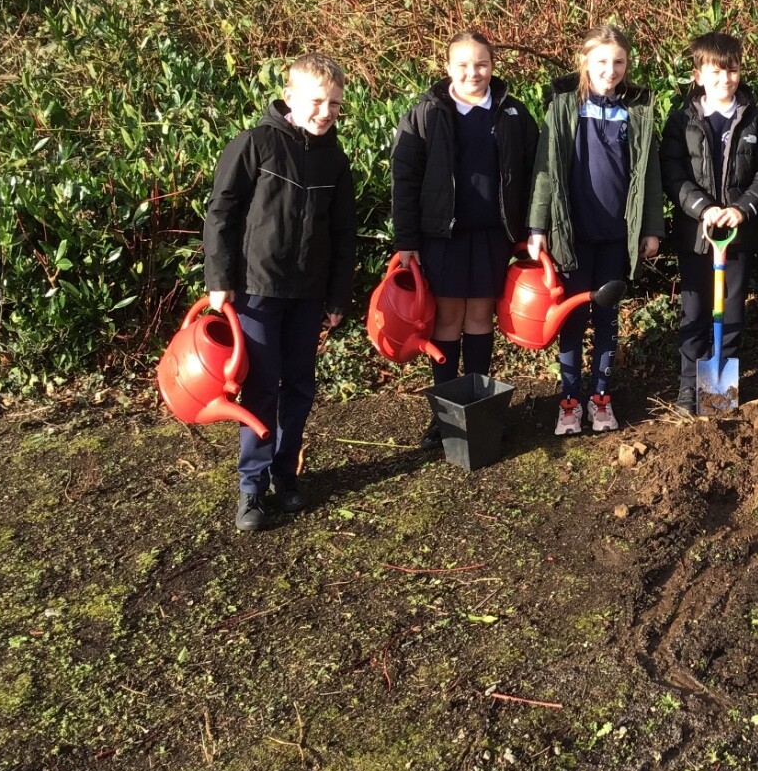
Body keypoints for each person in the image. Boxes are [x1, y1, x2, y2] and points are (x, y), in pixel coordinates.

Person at [203, 52, 357, 532]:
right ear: (290, 97)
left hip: (309, 294)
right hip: (256, 290)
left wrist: (337, 297)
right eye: (317, 101)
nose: (325, 112)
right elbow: (221, 214)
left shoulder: (336, 159)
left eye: (334, 104)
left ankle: (285, 475)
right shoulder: (255, 144)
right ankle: (251, 487)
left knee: (301, 385)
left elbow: (344, 235)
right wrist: (219, 280)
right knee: (261, 387)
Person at [391, 30, 539, 448]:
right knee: (447, 320)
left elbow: (533, 175)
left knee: (479, 318)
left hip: (493, 236)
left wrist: (531, 229)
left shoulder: (513, 113)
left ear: (493, 66)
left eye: (482, 64)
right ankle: (444, 415)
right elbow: (404, 179)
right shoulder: (425, 113)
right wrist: (407, 239)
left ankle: (478, 410)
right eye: (464, 65)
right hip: (443, 236)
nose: (473, 72)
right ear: (448, 68)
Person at [527, 25, 663, 435]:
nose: (610, 69)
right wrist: (538, 225)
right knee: (571, 320)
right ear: (584, 61)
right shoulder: (565, 106)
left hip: (616, 238)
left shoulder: (637, 111)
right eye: (602, 61)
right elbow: (546, 171)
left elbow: (649, 175)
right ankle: (569, 401)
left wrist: (650, 228)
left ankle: (601, 398)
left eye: (619, 62)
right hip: (573, 235)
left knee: (607, 319)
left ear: (627, 64)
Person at [660, 32, 758, 416]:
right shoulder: (681, 121)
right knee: (695, 312)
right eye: (715, 72)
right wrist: (702, 208)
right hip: (697, 237)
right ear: (698, 75)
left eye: (732, 71)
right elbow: (673, 172)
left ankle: (721, 388)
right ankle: (688, 386)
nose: (725, 79)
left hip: (737, 237)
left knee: (731, 311)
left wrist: (742, 209)